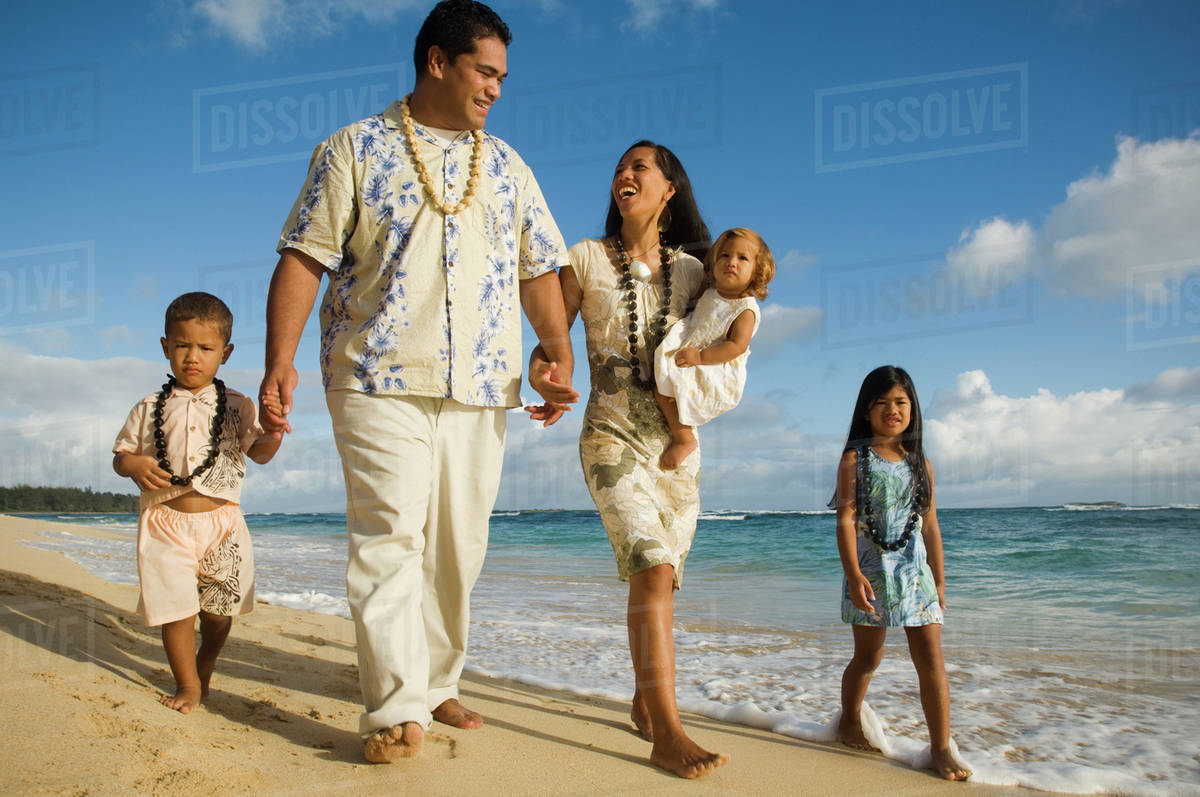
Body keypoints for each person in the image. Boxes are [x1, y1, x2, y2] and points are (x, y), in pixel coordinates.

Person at [258, 0, 576, 763]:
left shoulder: (506, 165)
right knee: (390, 535)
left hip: (481, 384)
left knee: (458, 548)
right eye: (485, 71)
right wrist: (280, 359)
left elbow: (542, 268)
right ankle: (395, 705)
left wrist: (557, 351)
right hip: (374, 373)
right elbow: (304, 257)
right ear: (437, 60)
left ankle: (437, 681)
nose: (497, 88)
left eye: (503, 75)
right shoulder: (354, 149)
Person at [527, 140, 728, 779]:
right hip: (610, 438)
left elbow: (735, 326)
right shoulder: (584, 259)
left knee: (663, 580)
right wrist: (546, 377)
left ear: (669, 188)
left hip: (675, 449)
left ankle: (647, 697)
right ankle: (668, 732)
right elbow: (548, 337)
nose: (625, 173)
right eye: (620, 166)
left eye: (640, 166)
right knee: (649, 565)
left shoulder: (697, 273)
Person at [113, 292, 281, 714]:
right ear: (165, 346)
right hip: (165, 522)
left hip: (222, 525)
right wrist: (133, 463)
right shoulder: (149, 407)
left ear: (224, 353)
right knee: (176, 611)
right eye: (182, 345)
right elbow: (121, 456)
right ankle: (187, 684)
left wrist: (274, 431)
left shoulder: (238, 406)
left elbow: (258, 453)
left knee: (219, 613)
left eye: (205, 348)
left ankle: (205, 660)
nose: (193, 357)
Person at [831, 365, 971, 781]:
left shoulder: (920, 464)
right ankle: (849, 720)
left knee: (931, 660)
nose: (893, 410)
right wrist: (854, 575)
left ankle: (941, 747)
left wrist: (940, 580)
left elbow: (930, 525)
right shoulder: (856, 459)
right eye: (883, 402)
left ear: (912, 409)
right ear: (867, 410)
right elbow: (845, 520)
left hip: (915, 575)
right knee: (868, 657)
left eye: (901, 402)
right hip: (871, 573)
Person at [653, 227, 774, 470]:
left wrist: (699, 356)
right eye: (725, 256)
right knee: (663, 381)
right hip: (695, 345)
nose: (732, 263)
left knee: (665, 389)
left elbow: (736, 346)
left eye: (743, 258)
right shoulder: (710, 291)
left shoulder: (745, 309)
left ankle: (684, 439)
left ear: (757, 271)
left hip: (715, 362)